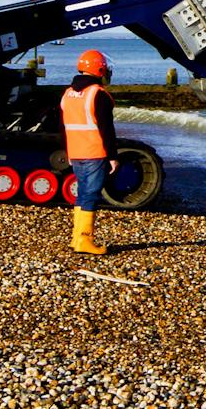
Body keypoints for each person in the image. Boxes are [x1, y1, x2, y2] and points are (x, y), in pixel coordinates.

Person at [61, 48, 119, 256]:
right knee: (91, 195)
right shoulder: (98, 94)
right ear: (100, 68)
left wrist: (67, 150)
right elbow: (106, 129)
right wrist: (113, 156)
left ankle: (77, 238)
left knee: (83, 193)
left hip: (75, 151)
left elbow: (65, 125)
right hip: (94, 151)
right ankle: (84, 240)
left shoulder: (68, 93)